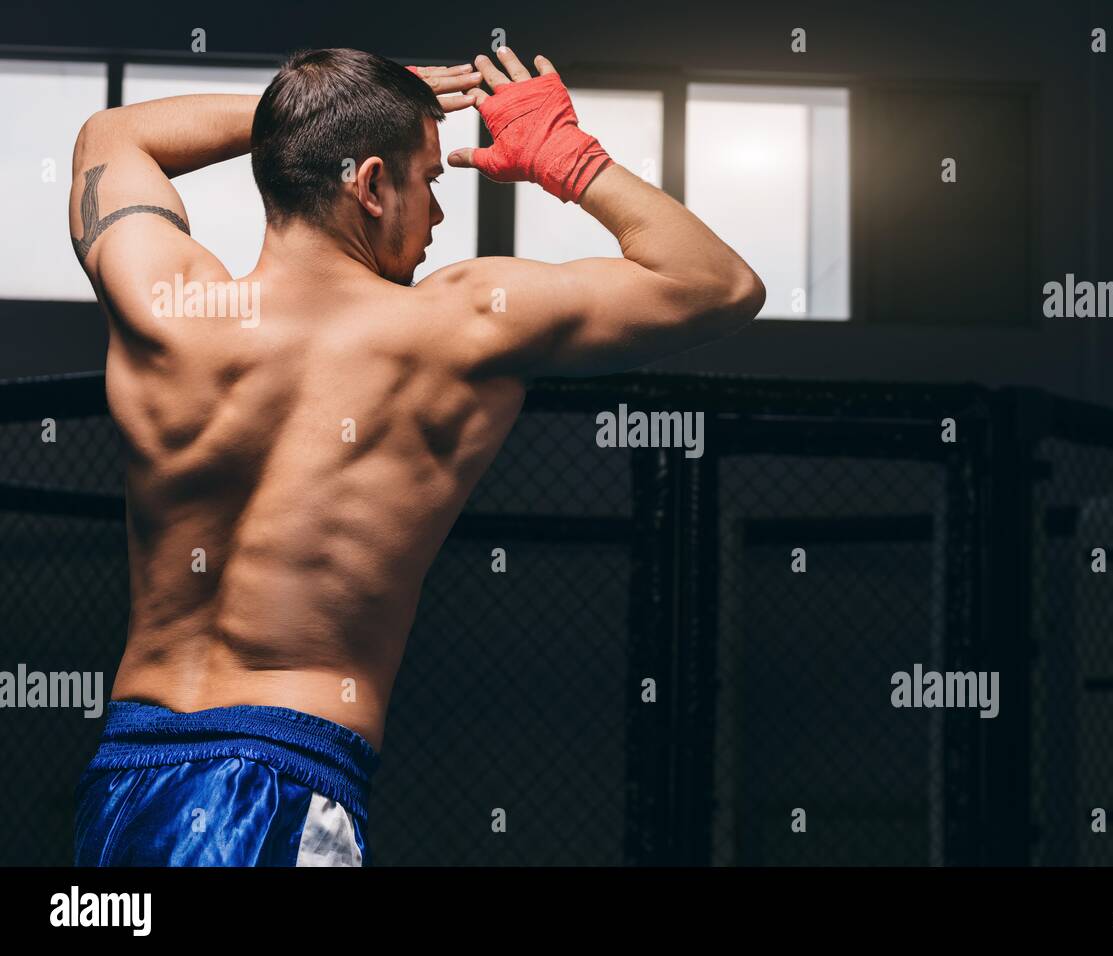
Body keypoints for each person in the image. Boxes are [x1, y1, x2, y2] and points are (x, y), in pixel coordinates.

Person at [69, 45, 764, 865]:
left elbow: (110, 136)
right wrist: (568, 158)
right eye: (429, 179)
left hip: (123, 778)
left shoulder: (165, 300)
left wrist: (320, 112)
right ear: (368, 185)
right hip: (281, 785)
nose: (437, 213)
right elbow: (720, 283)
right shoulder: (462, 324)